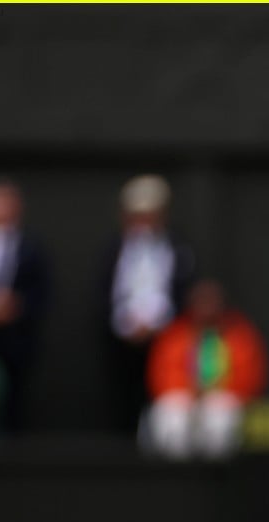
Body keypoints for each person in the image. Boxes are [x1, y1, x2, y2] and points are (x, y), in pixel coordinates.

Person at [101, 174, 196, 434]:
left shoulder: (177, 247)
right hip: (121, 339)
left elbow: (180, 291)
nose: (144, 222)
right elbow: (107, 293)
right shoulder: (114, 249)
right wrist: (127, 322)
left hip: (167, 338)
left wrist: (158, 323)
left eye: (150, 214)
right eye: (137, 215)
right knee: (124, 395)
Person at [144, 279, 267, 460]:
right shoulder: (174, 334)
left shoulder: (240, 335)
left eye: (211, 302)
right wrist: (191, 391)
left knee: (218, 418)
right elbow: (160, 376)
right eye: (201, 302)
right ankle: (178, 478)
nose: (206, 308)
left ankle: (215, 481)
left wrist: (213, 391)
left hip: (222, 399)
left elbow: (250, 378)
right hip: (184, 398)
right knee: (173, 418)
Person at [0, 180, 51, 434]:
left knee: (14, 399)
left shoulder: (32, 247)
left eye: (7, 204)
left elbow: (42, 291)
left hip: (16, 338)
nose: (1, 210)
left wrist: (15, 306)